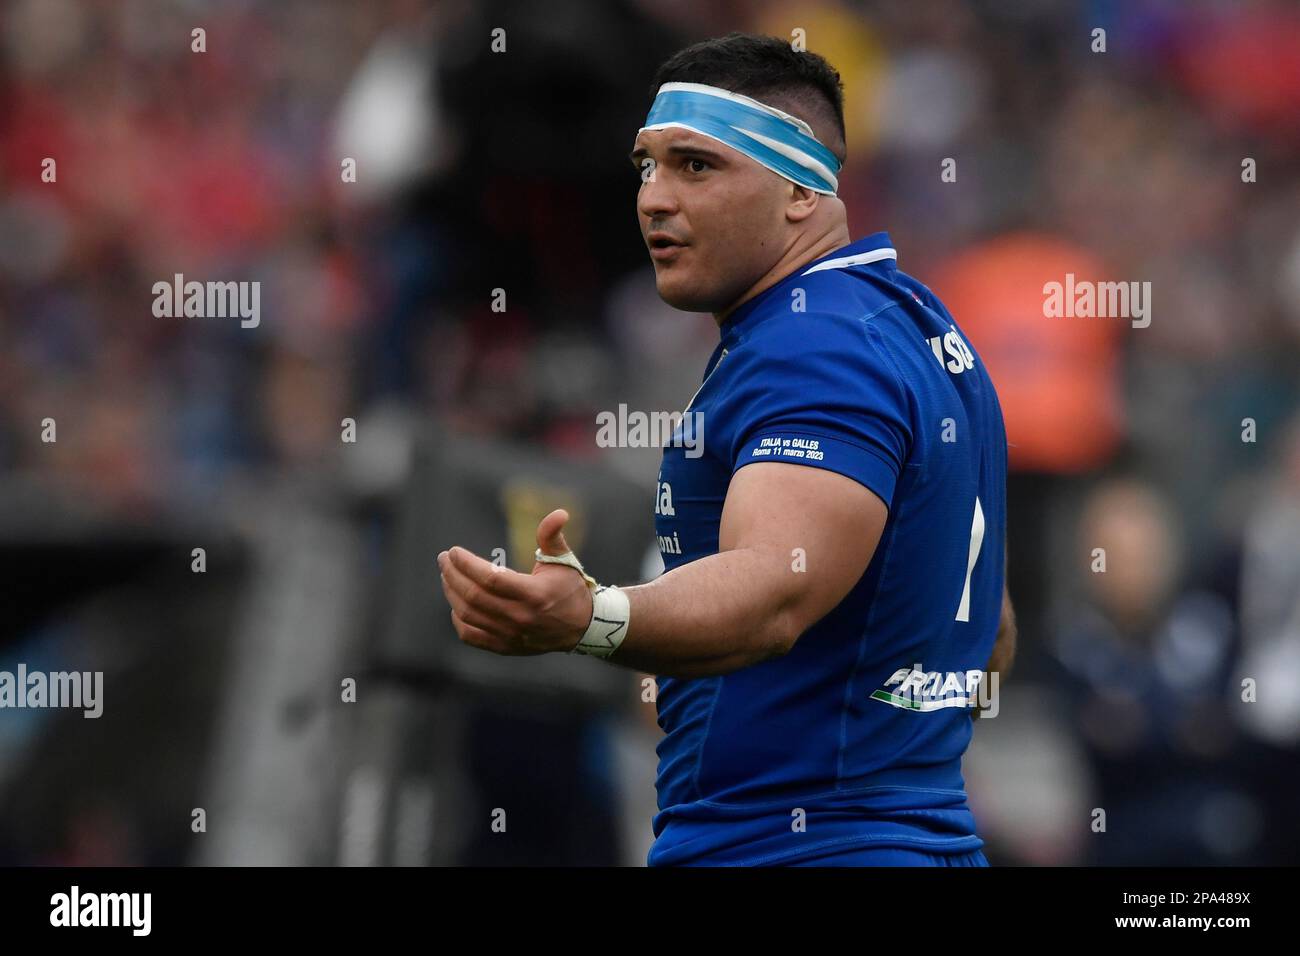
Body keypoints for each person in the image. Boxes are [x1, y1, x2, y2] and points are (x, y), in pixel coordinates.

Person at [438, 33, 1015, 866]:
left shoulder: (812, 347)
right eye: (646, 165)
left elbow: (774, 593)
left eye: (696, 167)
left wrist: (593, 619)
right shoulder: (921, 328)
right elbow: (986, 630)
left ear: (796, 190)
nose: (653, 199)